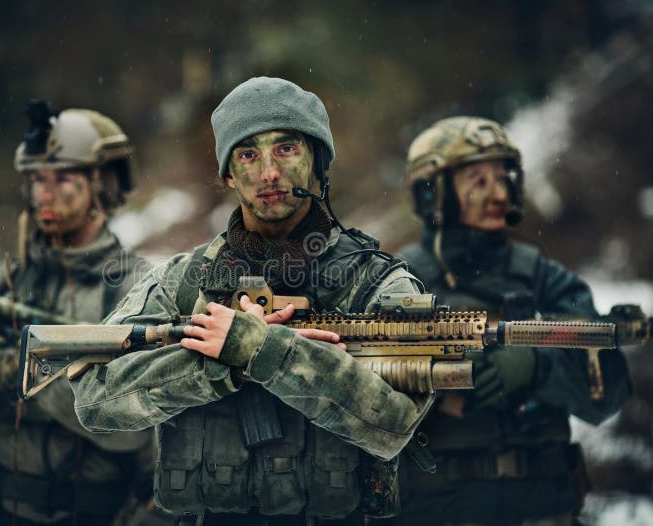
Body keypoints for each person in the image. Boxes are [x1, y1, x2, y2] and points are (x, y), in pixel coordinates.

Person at [68, 77, 434, 526]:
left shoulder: (373, 281)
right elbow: (94, 399)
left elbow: (396, 423)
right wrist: (216, 363)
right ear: (227, 174)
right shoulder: (184, 280)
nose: (268, 173)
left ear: (318, 160)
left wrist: (268, 352)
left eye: (286, 149)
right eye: (247, 154)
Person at [0, 101, 159, 525]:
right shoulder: (0, 284)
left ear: (105, 184)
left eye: (63, 178)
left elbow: (134, 427)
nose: (44, 192)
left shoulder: (138, 289)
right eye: (37, 178)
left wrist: (28, 376)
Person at [389, 116, 633, 524]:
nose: (500, 193)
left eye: (504, 178)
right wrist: (438, 379)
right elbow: (359, 397)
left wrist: (536, 365)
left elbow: (607, 394)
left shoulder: (542, 276)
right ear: (435, 191)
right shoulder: (396, 282)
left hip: (543, 508)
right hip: (438, 510)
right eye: (478, 181)